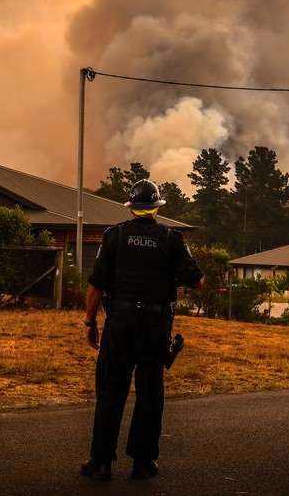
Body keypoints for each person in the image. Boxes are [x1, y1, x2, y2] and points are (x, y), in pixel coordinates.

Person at [80, 179, 205, 481]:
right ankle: (143, 463)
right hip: (155, 325)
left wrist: (90, 322)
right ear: (157, 206)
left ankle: (101, 464)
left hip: (120, 322)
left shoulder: (114, 236)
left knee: (111, 390)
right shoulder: (172, 239)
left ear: (132, 206)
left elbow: (97, 285)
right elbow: (197, 280)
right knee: (150, 394)